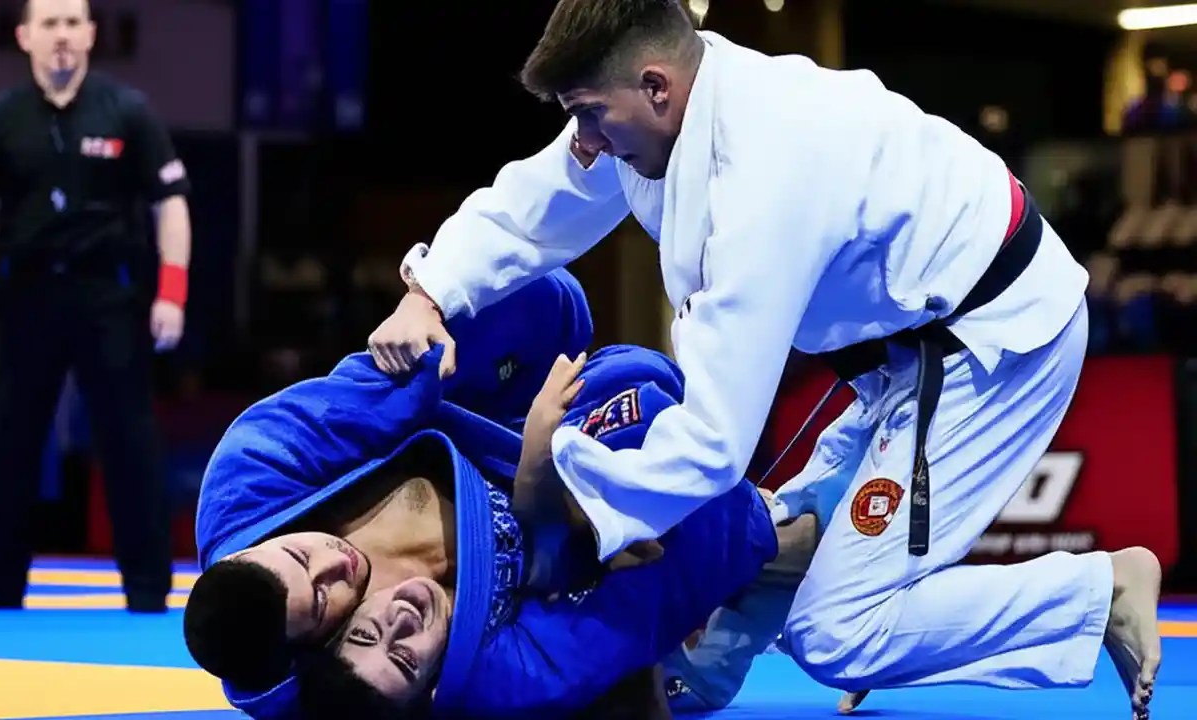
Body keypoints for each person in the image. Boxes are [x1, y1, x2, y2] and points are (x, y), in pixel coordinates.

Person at [365, 1, 1162, 717]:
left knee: (840, 634)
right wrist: (430, 293)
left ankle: (1097, 591)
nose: (587, 142)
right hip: (898, 351)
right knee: (733, 603)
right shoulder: (654, 110)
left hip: (994, 341)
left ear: (655, 86)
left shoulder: (764, 172)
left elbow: (714, 440)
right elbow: (537, 204)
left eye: (591, 117)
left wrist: (561, 502)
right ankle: (859, 604)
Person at [183, 270, 807, 718]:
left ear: (249, 548)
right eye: (323, 602)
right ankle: (758, 567)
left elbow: (382, 387)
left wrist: (429, 302)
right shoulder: (428, 683)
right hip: (566, 537)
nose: (333, 565)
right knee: (680, 483)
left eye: (299, 555)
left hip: (495, 435)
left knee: (536, 301)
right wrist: (738, 538)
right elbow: (610, 622)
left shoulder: (250, 475)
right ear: (308, 649)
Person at [0, 0, 192, 612]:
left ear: (90, 34)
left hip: (107, 295)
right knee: (9, 438)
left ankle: (147, 588)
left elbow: (170, 206)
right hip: (27, 294)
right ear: (25, 36)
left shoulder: (127, 110)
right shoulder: (2, 118)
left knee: (129, 437)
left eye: (72, 23)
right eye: (49, 24)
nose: (61, 35)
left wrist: (171, 293)